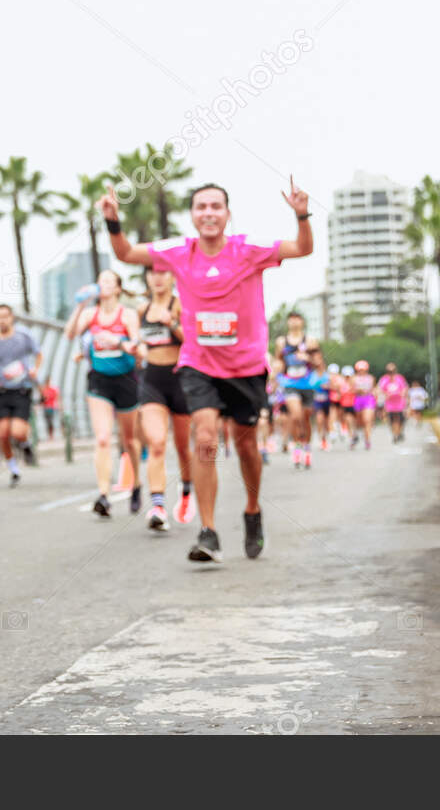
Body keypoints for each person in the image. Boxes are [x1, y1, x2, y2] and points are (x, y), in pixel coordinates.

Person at [102, 179, 313, 562]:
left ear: (227, 214)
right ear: (193, 216)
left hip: (246, 366)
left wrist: (301, 214)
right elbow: (128, 253)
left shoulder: (247, 250)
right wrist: (113, 222)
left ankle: (252, 510)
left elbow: (302, 248)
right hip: (198, 364)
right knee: (205, 438)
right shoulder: (180, 253)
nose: (209, 213)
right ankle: (209, 531)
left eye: (216, 206)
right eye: (201, 207)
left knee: (247, 444)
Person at [65, 270, 142, 517]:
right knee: (102, 438)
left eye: (109, 280)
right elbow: (70, 334)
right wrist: (79, 306)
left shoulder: (127, 314)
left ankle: (137, 484)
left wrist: (117, 341)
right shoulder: (90, 313)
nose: (103, 284)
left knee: (129, 439)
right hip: (99, 380)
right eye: (100, 280)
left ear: (118, 288)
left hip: (126, 380)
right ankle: (104, 495)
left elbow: (137, 346)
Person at [136, 267, 194, 528]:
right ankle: (158, 506)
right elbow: (139, 341)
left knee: (183, 447)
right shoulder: (141, 310)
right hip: (152, 381)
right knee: (157, 442)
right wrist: (136, 347)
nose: (157, 278)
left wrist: (170, 322)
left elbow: (192, 339)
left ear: (173, 277)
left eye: (162, 273)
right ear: (147, 278)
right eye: (152, 273)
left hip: (180, 379)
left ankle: (186, 493)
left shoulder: (181, 306)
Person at [0, 303, 43, 487]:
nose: (2, 320)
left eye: (6, 316)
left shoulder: (23, 336)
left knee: (17, 432)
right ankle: (13, 469)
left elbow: (38, 354)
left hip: (21, 389)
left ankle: (24, 444)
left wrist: (35, 369)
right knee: (2, 433)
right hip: (0, 390)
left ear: (12, 318)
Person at [272, 312, 315, 467]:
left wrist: (308, 359)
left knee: (305, 418)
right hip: (290, 383)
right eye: (291, 319)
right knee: (295, 416)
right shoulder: (281, 341)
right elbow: (279, 361)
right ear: (288, 323)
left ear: (302, 322)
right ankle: (297, 447)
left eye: (297, 319)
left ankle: (307, 448)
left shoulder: (310, 341)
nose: (294, 322)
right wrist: (274, 375)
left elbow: (319, 362)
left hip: (307, 383)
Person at [350, 359, 378, 448]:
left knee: (367, 420)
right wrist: (357, 390)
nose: (361, 371)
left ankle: (367, 440)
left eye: (363, 369)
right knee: (359, 421)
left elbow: (374, 389)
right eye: (360, 369)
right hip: (358, 399)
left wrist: (375, 394)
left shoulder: (371, 378)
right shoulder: (353, 378)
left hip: (368, 399)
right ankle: (355, 435)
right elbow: (351, 389)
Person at [379, 363, 409, 443]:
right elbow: (380, 389)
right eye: (389, 371)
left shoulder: (400, 378)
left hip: (399, 403)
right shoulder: (384, 379)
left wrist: (403, 394)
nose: (391, 373)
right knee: (392, 419)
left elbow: (405, 388)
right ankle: (395, 434)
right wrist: (386, 394)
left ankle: (399, 432)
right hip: (389, 403)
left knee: (401, 419)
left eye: (392, 371)